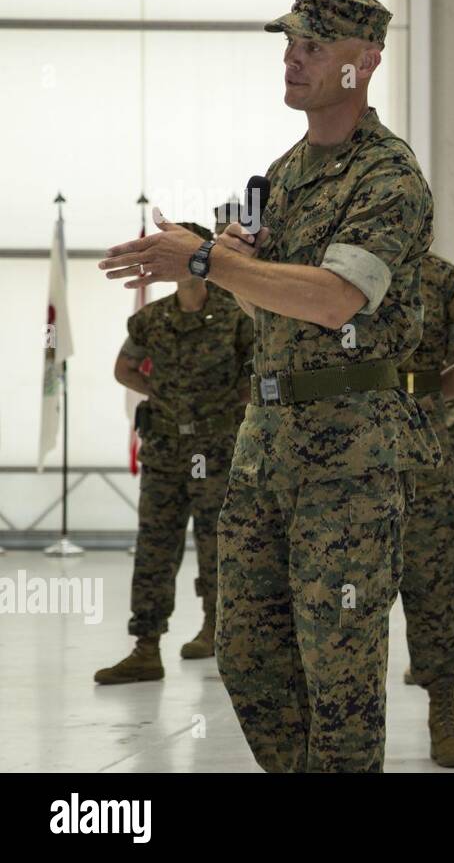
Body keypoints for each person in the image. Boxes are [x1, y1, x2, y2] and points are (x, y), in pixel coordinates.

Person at [100, 0, 441, 771]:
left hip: (350, 462)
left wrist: (208, 259)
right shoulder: (278, 178)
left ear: (364, 64)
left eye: (313, 45)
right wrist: (207, 252)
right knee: (247, 657)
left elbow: (334, 299)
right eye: (289, 42)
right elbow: (239, 275)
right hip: (264, 451)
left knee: (340, 676)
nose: (292, 57)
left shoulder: (389, 178)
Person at [95, 217, 252, 684]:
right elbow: (124, 368)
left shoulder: (236, 314)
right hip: (164, 449)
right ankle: (146, 646)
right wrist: (160, 396)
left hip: (218, 448)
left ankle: (215, 628)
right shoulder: (150, 319)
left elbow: (255, 373)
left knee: (217, 541)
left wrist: (223, 407)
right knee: (155, 546)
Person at [397, 248, 454, 766]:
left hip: (422, 450)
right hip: (341, 451)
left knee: (431, 580)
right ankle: (338, 715)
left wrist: (426, 393)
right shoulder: (330, 267)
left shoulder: (445, 280)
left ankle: (443, 709)